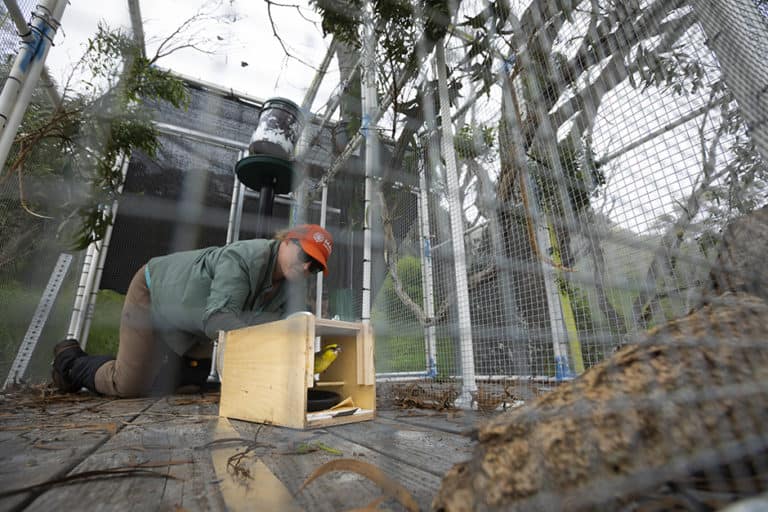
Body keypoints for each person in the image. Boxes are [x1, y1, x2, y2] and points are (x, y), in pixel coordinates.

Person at [51, 224, 333, 397]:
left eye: (317, 266)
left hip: (191, 324)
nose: (308, 267)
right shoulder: (245, 257)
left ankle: (148, 363)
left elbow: (276, 330)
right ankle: (70, 361)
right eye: (306, 256)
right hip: (154, 294)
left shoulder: (288, 286)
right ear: (286, 241)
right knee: (128, 386)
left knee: (190, 385)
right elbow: (219, 321)